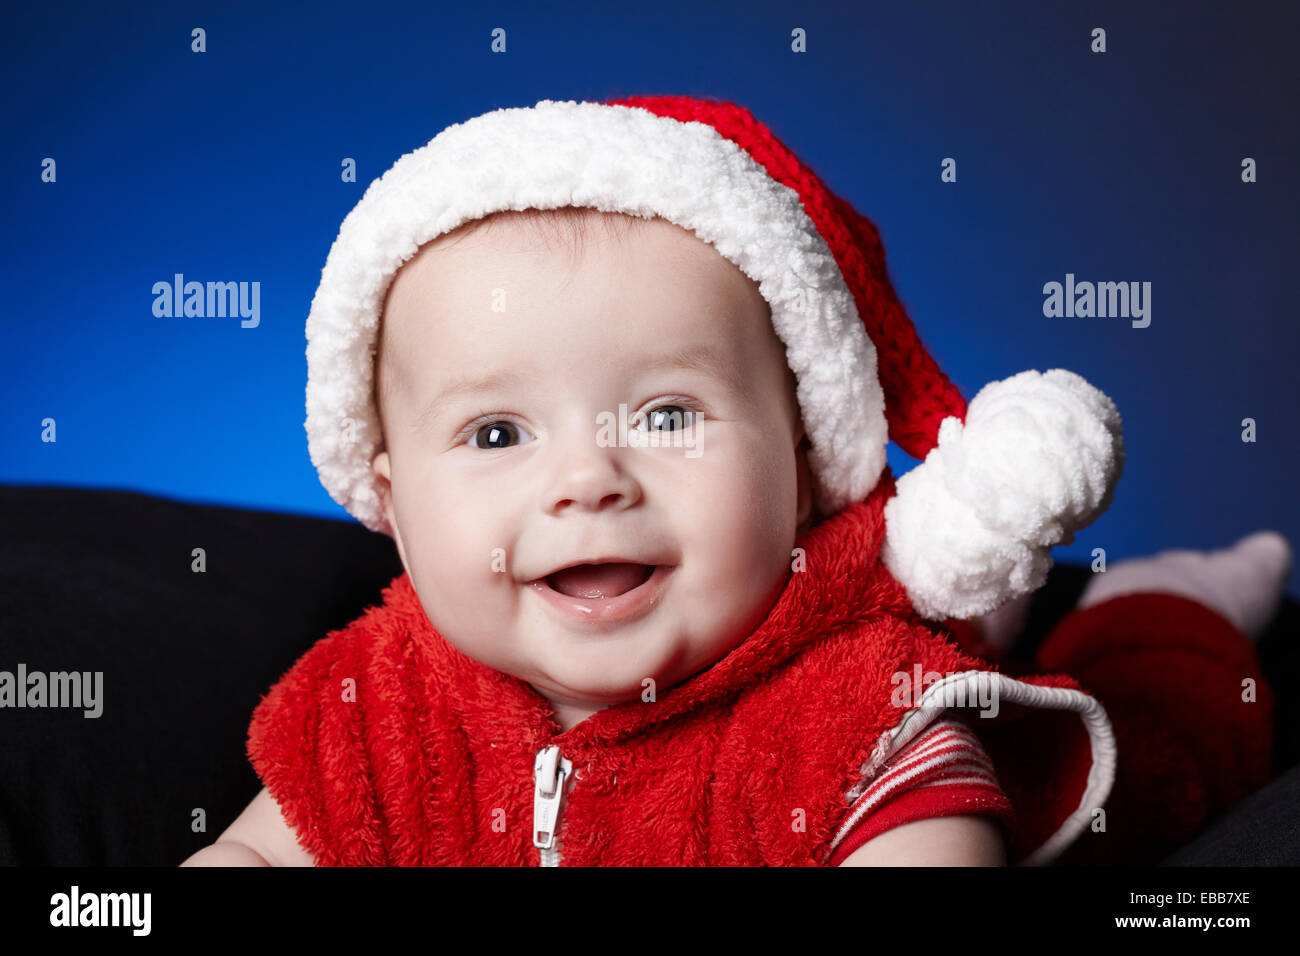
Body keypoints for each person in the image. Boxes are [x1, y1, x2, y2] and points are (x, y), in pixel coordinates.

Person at [181, 97, 1287, 867]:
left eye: (667, 414)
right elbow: (260, 846)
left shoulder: (861, 710)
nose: (586, 478)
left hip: (1079, 733)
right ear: (391, 499)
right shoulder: (380, 702)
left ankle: (1185, 593)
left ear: (803, 461)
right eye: (495, 431)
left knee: (1166, 714)